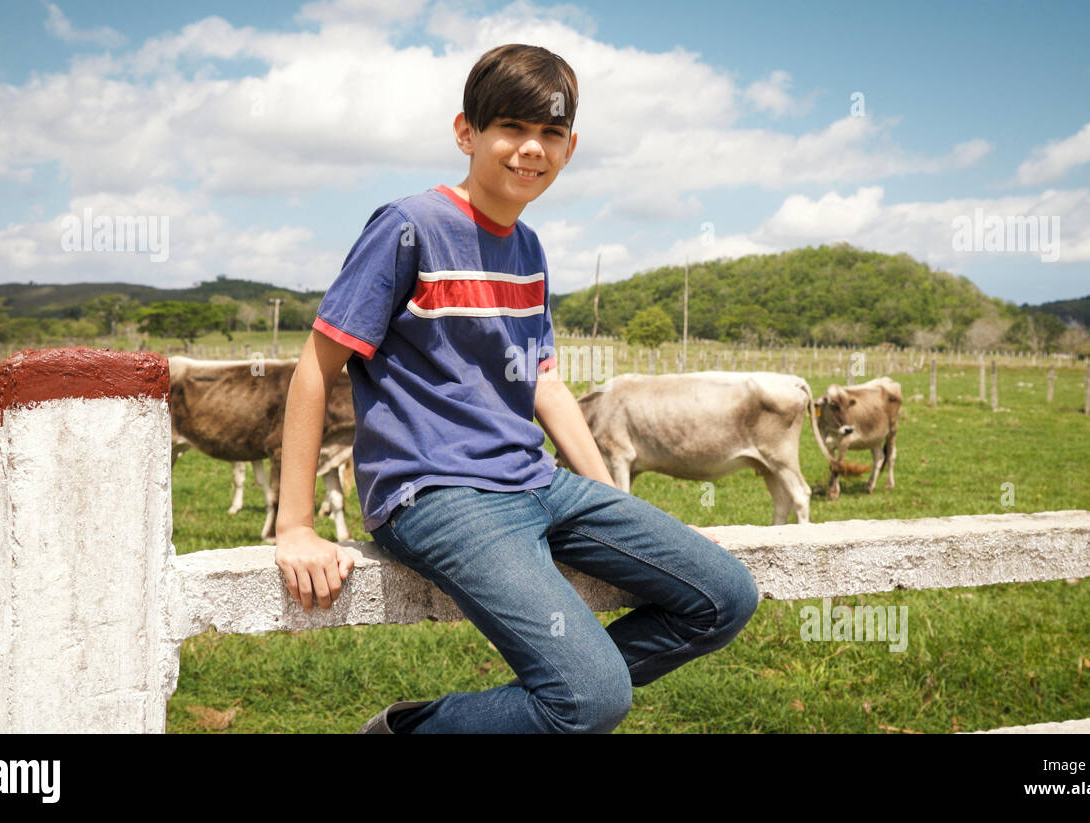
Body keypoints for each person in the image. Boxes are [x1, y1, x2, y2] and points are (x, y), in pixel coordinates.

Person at [273, 43, 759, 734]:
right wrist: (296, 525)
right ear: (465, 132)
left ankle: (548, 692)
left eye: (551, 134)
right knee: (592, 700)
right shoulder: (409, 227)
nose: (532, 149)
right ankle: (424, 727)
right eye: (511, 127)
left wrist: (610, 500)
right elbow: (313, 369)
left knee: (725, 597)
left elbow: (545, 384)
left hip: (537, 481)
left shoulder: (528, 250)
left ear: (570, 146)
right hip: (437, 492)